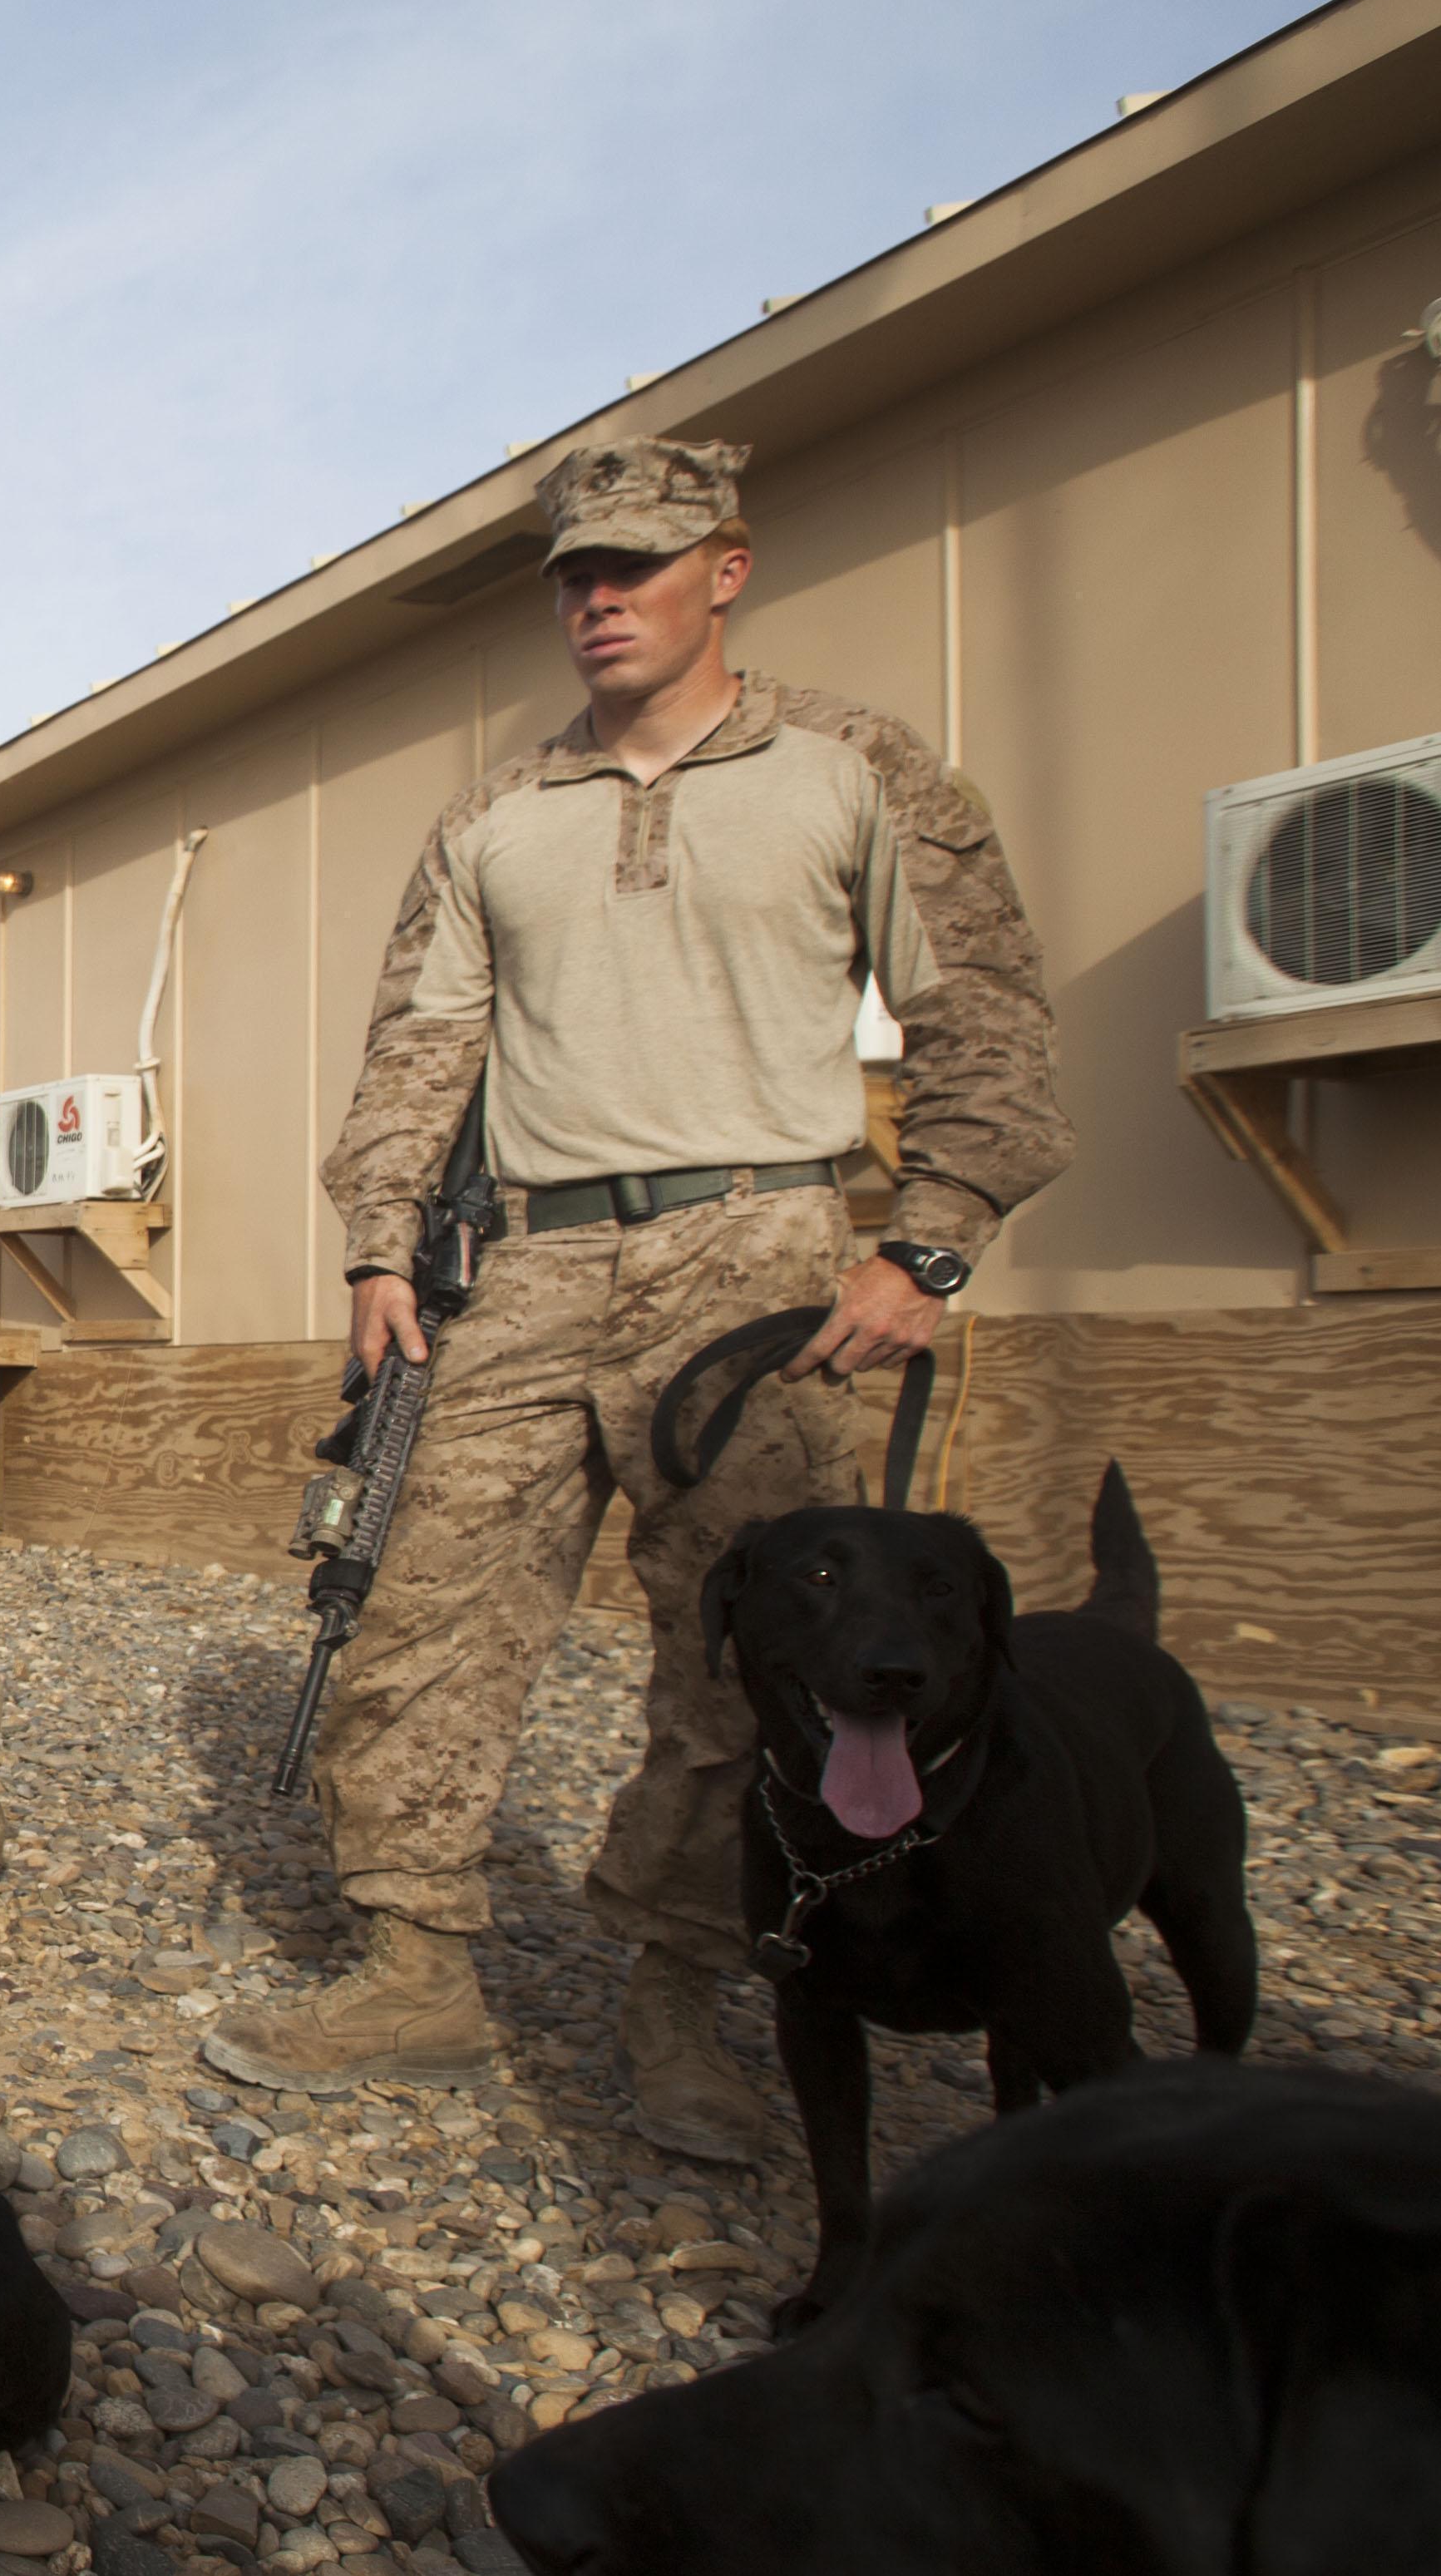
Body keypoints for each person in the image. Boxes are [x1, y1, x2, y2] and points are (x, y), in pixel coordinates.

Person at [202, 437, 1074, 2162]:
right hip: (519, 1269)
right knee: (423, 1611)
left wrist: (932, 1239)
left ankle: (683, 1997)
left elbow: (989, 1020)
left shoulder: (856, 771)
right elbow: (417, 1052)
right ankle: (416, 1967)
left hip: (756, 1265)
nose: (598, 601)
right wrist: (382, 1242)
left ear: (725, 570)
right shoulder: (495, 818)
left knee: (754, 1658)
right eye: (573, 576)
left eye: (636, 569)